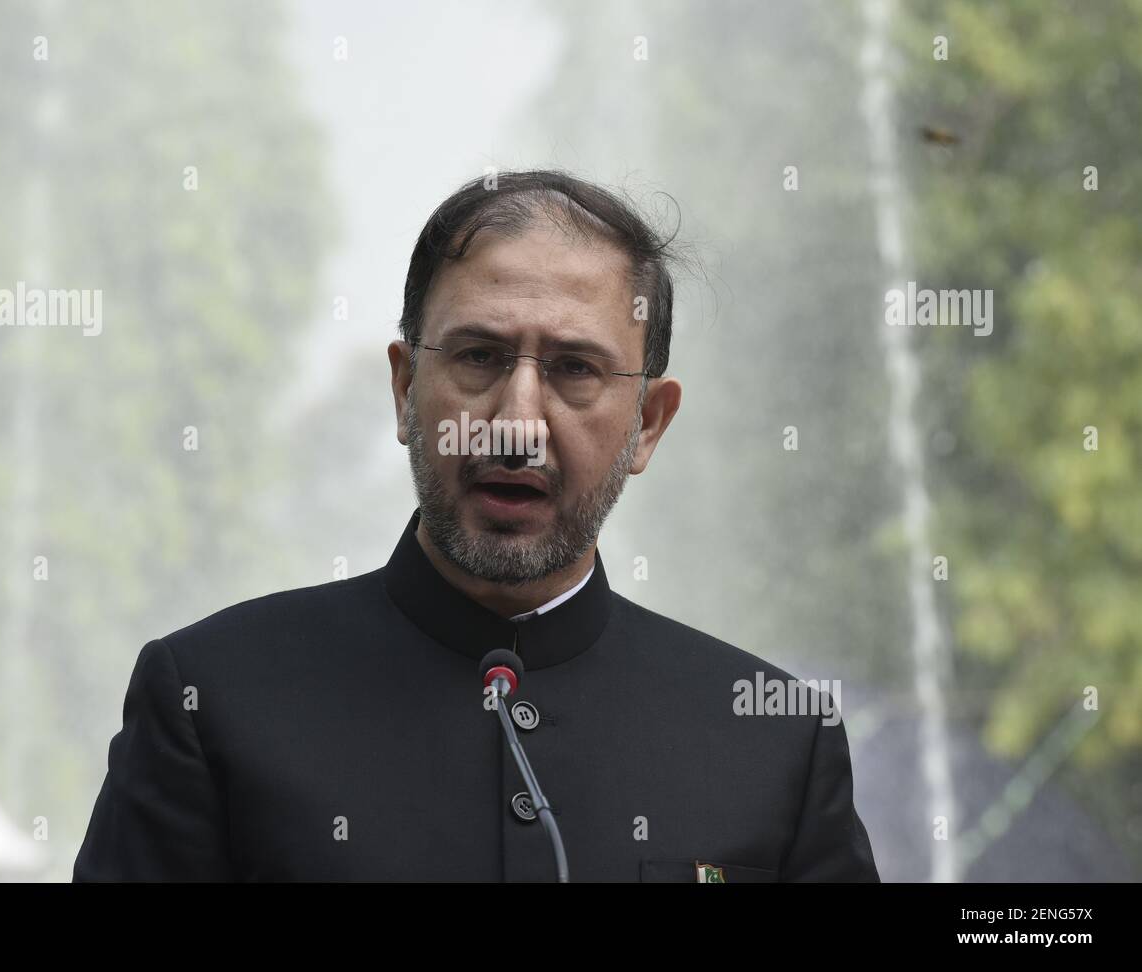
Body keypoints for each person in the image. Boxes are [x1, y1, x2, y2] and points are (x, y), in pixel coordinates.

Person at [73, 169, 879, 882]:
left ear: (648, 424)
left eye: (575, 369)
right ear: (404, 388)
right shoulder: (211, 700)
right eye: (479, 357)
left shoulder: (773, 743)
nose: (517, 423)